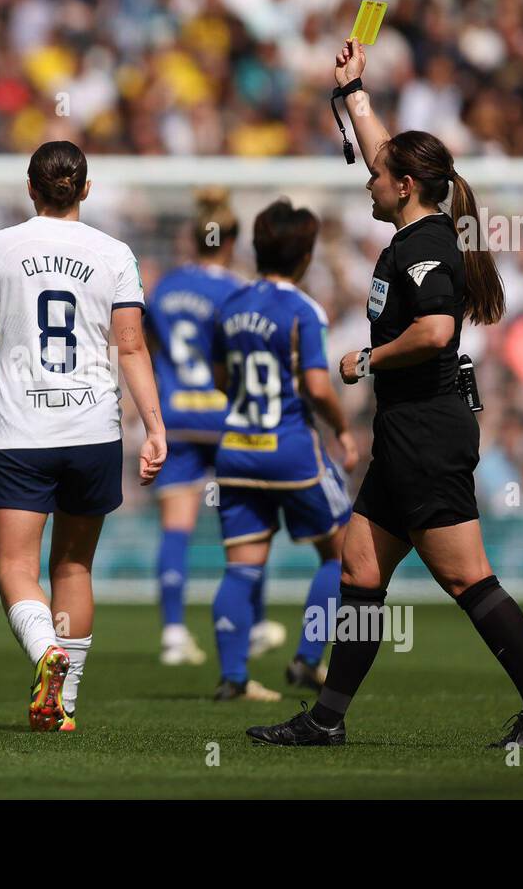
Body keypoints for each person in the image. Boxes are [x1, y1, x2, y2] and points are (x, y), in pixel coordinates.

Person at [248, 40, 523, 748]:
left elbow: (432, 332)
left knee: (467, 579)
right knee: (360, 569)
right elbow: (380, 158)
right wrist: (354, 93)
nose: (369, 180)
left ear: (404, 187)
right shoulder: (415, 226)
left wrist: (367, 358)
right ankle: (327, 719)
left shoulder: (425, 248)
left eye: (380, 176)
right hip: (406, 433)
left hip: (427, 430)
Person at [0, 140, 166, 732]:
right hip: (93, 430)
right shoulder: (115, 253)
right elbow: (130, 347)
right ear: (85, 188)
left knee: (14, 568)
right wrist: (154, 427)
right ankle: (64, 704)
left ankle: (43, 654)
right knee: (74, 567)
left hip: (21, 427)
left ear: (30, 187)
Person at [209, 198, 358, 702]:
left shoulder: (230, 305)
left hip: (236, 449)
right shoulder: (302, 310)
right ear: (306, 256)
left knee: (241, 565)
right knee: (341, 554)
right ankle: (307, 658)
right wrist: (342, 430)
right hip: (291, 449)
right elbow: (317, 386)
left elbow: (221, 377)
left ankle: (233, 677)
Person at [144, 188, 285, 667]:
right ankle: (256, 622)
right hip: (226, 418)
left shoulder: (163, 288)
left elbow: (149, 347)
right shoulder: (236, 292)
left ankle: (173, 633)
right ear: (231, 240)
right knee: (245, 524)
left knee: (176, 529)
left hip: (177, 417)